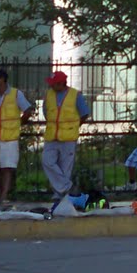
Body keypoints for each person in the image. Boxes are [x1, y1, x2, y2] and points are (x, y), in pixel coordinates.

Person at [0, 68, 31, 206]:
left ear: (3, 79)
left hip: (10, 137)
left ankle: (3, 196)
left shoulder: (15, 94)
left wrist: (18, 123)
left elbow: (27, 110)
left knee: (7, 168)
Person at [40, 71, 91, 202]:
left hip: (68, 136)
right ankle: (68, 187)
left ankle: (60, 194)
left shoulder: (75, 95)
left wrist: (74, 126)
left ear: (61, 83)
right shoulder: (49, 94)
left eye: (53, 84)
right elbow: (46, 111)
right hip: (52, 135)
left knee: (65, 167)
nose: (51, 86)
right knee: (47, 161)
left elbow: (84, 113)